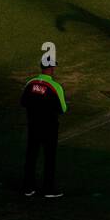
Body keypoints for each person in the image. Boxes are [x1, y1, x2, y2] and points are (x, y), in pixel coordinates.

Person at [20, 63, 67, 197]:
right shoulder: (55, 86)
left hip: (33, 125)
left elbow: (23, 102)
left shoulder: (30, 83)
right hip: (49, 128)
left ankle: (27, 187)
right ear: (51, 69)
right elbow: (63, 109)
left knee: (31, 156)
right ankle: (48, 189)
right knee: (49, 158)